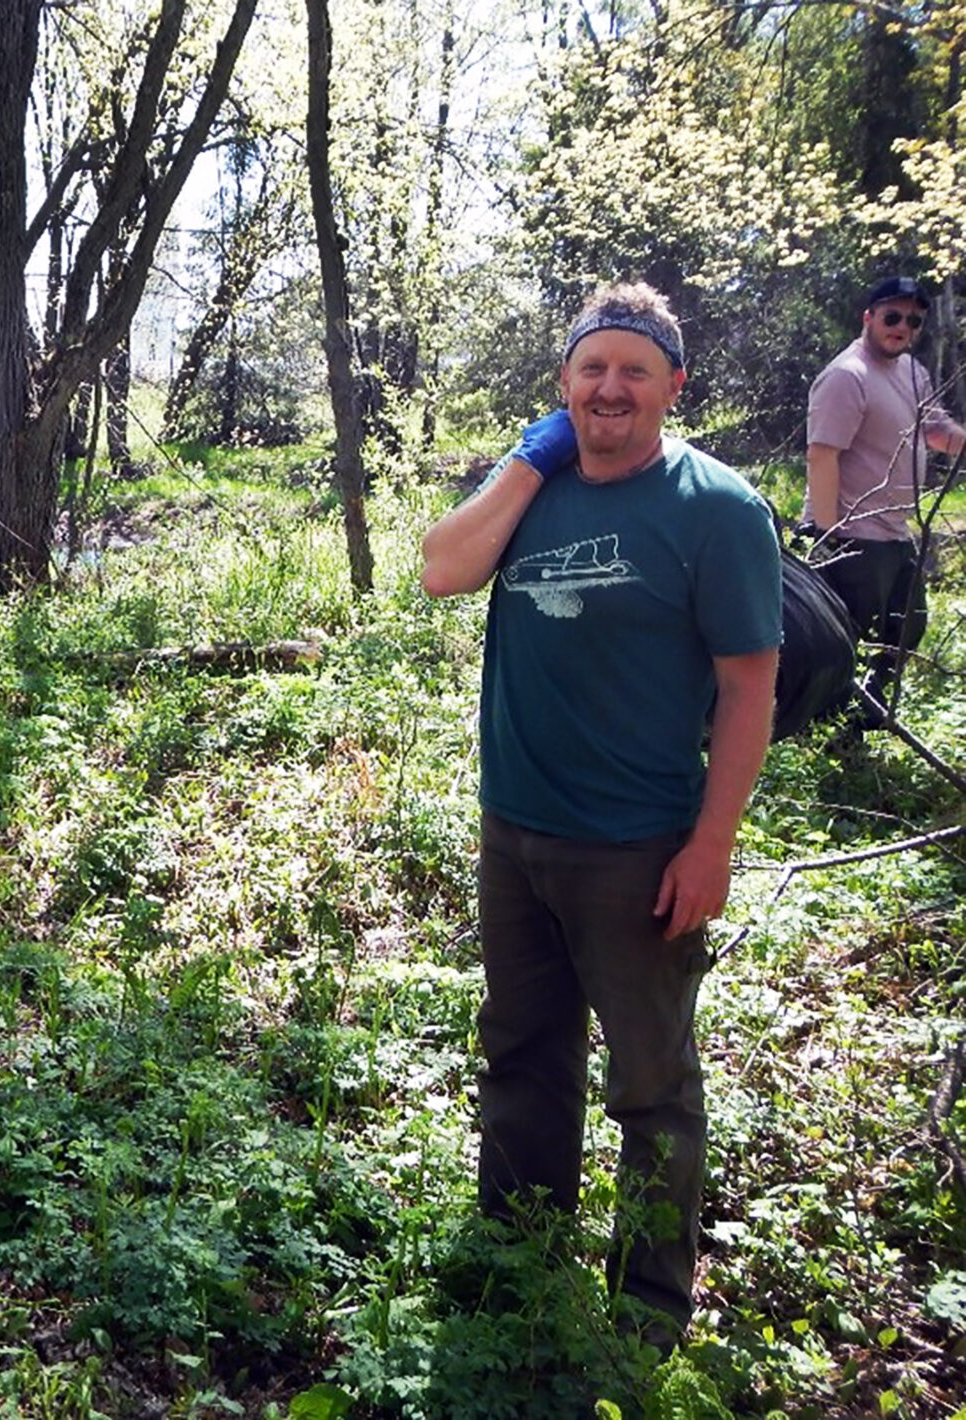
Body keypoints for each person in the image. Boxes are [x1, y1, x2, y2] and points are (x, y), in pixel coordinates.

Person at [420, 281, 782, 1347]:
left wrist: (711, 844)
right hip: (514, 831)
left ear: (674, 386)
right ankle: (515, 1258)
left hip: (636, 847)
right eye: (591, 368)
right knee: (521, 1053)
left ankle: (645, 1306)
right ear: (563, 382)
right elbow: (442, 570)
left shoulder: (716, 509)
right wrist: (528, 462)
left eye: (634, 370)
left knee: (650, 1082)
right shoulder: (530, 487)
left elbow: (747, 687)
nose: (610, 388)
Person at [803, 274, 966, 724]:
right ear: (869, 318)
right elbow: (822, 456)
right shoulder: (847, 375)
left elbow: (935, 430)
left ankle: (866, 723)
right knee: (847, 642)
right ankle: (831, 732)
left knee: (906, 628)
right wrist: (829, 538)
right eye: (892, 317)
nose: (902, 328)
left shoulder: (912, 372)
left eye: (913, 321)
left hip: (895, 533)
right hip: (852, 535)